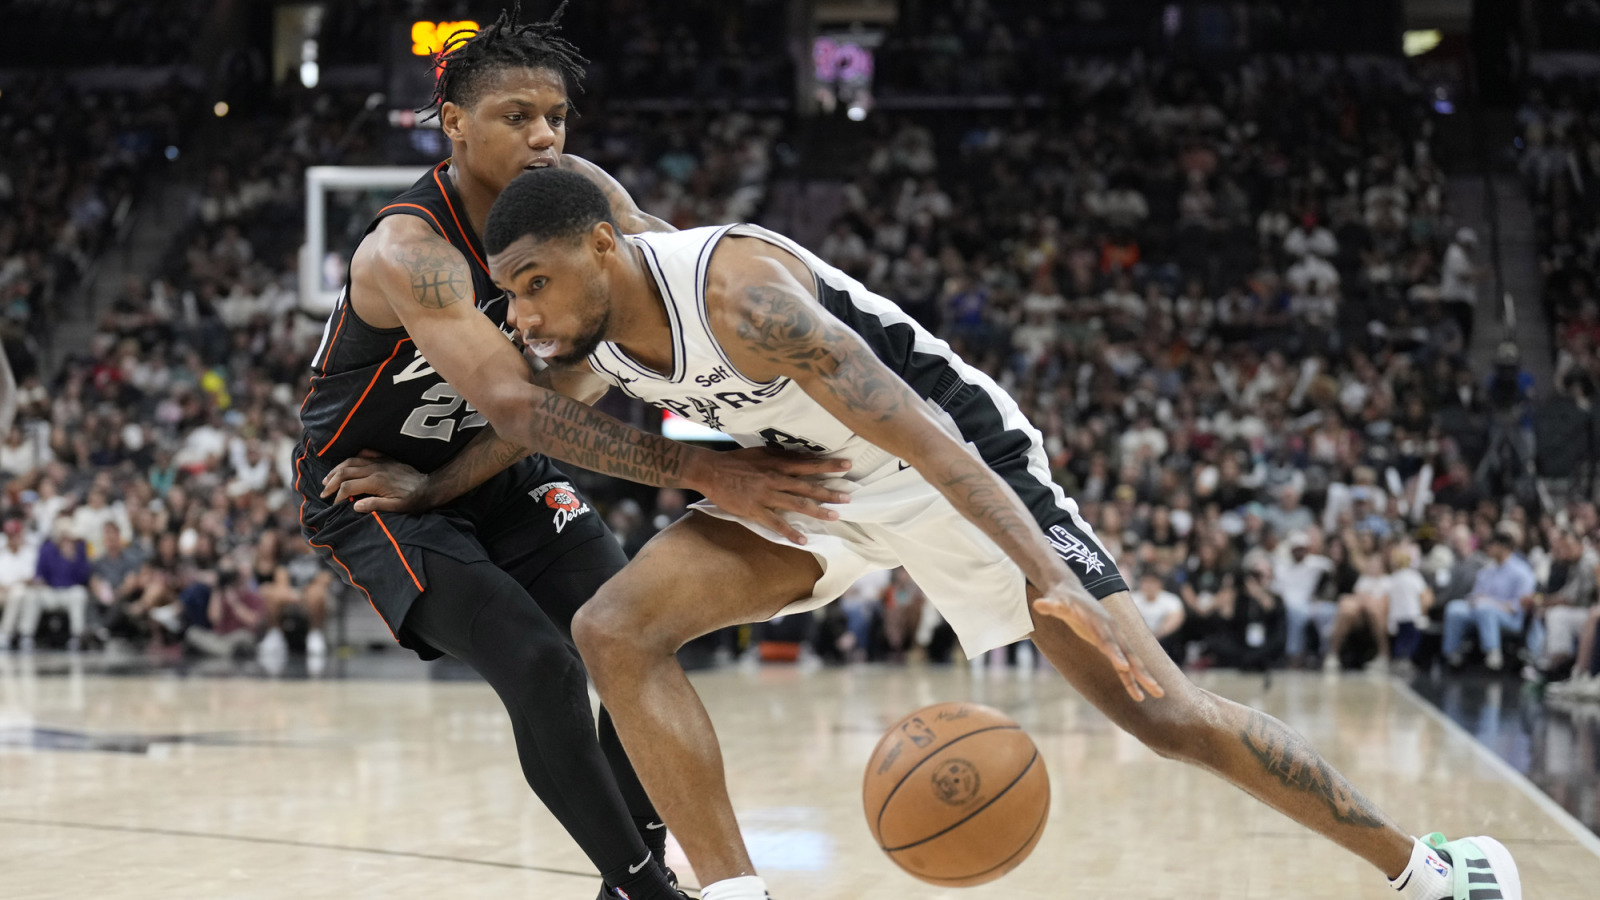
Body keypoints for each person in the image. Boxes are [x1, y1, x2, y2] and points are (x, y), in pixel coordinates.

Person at [352, 167, 1517, 900]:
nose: (522, 313)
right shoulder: (579, 331)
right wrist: (435, 483)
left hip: (953, 473)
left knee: (1158, 707)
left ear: (603, 246)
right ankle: (734, 894)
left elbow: (936, 447)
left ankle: (1428, 870)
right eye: (506, 293)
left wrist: (1053, 578)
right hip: (807, 490)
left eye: (534, 283)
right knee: (615, 630)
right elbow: (536, 421)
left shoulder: (743, 300)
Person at [300, 10, 846, 900]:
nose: (545, 135)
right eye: (517, 115)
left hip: (484, 473)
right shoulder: (414, 252)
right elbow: (522, 405)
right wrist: (705, 467)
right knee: (543, 666)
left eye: (555, 114)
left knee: (637, 635)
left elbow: (678, 289)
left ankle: (623, 885)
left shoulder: (581, 198)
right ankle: (641, 885)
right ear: (454, 125)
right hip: (375, 492)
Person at [1441, 531, 1536, 671]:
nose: (1488, 549)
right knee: (1454, 608)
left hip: (1509, 617)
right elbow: (1475, 595)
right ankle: (1452, 653)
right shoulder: (1487, 569)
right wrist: (1475, 600)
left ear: (1503, 547)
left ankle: (1493, 653)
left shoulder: (1522, 571)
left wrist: (1491, 603)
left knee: (1485, 608)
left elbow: (1522, 604)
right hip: (1479, 611)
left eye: (1492, 546)